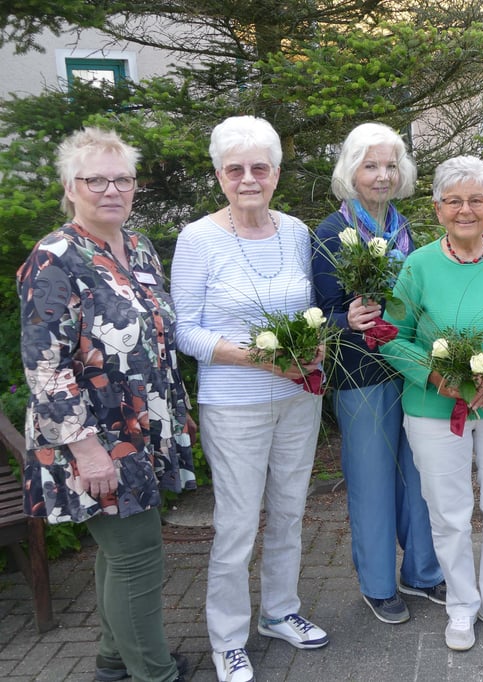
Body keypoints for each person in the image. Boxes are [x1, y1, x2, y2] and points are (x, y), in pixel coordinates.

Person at [17, 127, 194, 682]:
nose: (110, 189)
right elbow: (46, 367)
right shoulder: (54, 259)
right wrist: (89, 451)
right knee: (137, 553)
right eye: (95, 179)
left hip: (142, 426)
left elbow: (156, 338)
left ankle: (114, 660)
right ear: (71, 187)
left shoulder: (137, 246)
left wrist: (175, 404)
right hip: (90, 439)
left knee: (120, 551)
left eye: (122, 179)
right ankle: (154, 673)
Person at [172, 116, 328, 682]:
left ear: (276, 173)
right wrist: (254, 358)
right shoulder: (198, 238)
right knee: (238, 522)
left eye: (259, 168)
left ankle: (280, 612)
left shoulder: (295, 231)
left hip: (297, 397)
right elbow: (184, 330)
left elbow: (309, 310)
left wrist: (312, 354)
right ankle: (228, 637)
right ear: (219, 175)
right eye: (235, 169)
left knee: (288, 511)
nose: (248, 179)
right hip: (234, 400)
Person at [381, 156, 483, 652]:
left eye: (476, 200)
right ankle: (461, 606)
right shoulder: (418, 265)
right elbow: (393, 336)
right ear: (438, 209)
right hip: (435, 409)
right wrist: (436, 377)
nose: (466, 210)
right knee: (448, 513)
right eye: (454, 201)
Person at [311, 122, 445, 625]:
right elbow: (320, 311)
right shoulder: (331, 231)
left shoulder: (403, 226)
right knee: (370, 480)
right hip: (361, 373)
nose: (382, 175)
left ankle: (424, 572)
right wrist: (347, 318)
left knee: (418, 475)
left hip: (408, 368)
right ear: (351, 171)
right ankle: (378, 584)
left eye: (390, 165)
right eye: (370, 165)